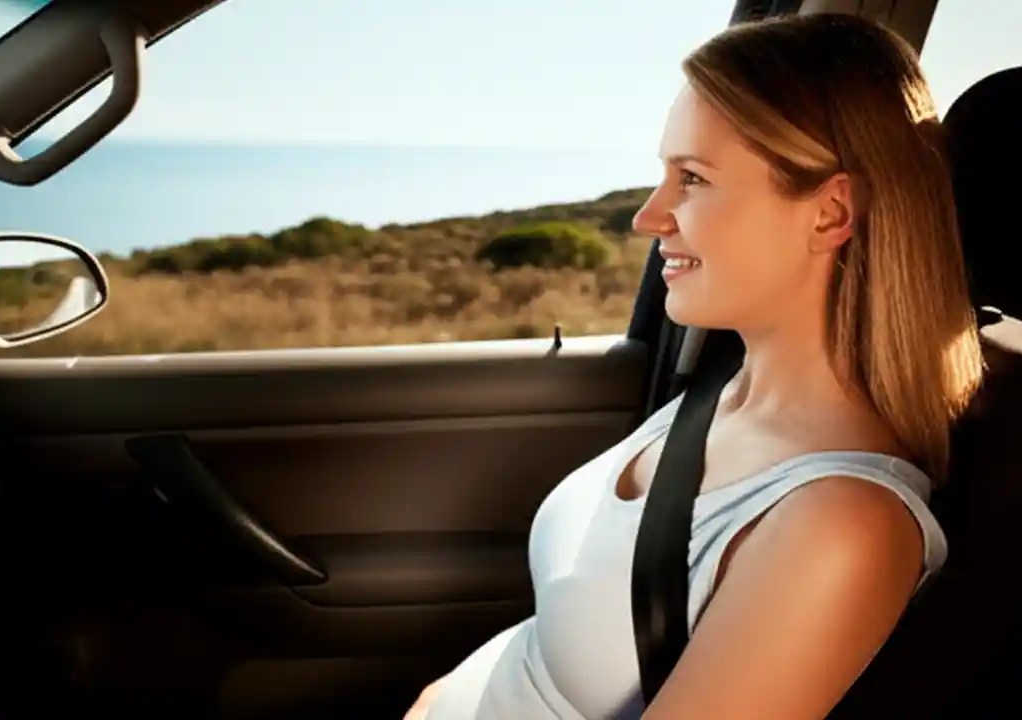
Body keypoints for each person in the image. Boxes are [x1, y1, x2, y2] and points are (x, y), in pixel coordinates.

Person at [405, 11, 984, 719]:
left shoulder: (840, 528)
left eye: (693, 178)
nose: (648, 216)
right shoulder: (725, 391)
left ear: (832, 214)